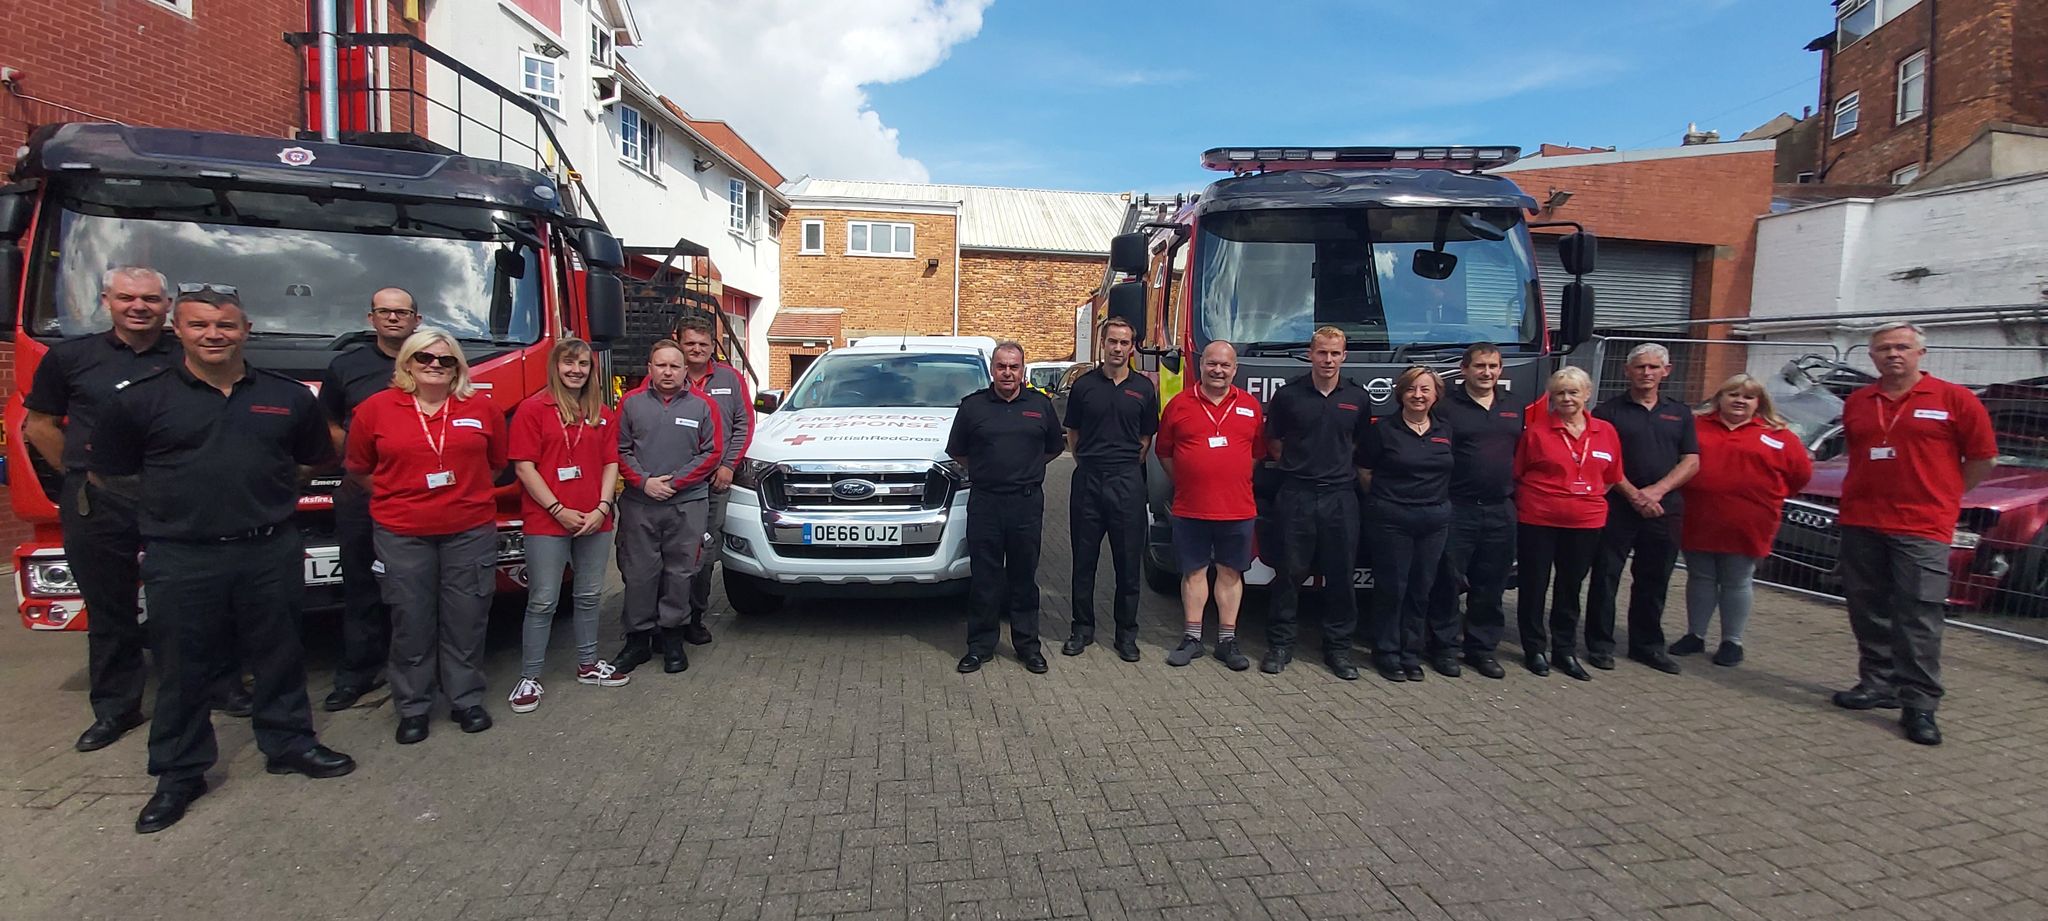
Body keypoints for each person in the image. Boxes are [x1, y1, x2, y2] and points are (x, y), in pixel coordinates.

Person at [92, 285, 355, 834]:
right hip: (182, 554)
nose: (214, 335)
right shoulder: (139, 399)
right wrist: (178, 510)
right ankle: (179, 773)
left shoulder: (287, 397)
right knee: (183, 666)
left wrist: (265, 494)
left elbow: (314, 459)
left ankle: (289, 743)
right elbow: (110, 474)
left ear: (245, 330)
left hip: (268, 547)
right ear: (178, 331)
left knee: (280, 653)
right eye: (200, 325)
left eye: (226, 325)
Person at [22, 266, 187, 752]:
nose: (139, 307)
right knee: (110, 608)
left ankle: (214, 687)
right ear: (106, 301)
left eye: (151, 299)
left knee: (189, 601)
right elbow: (40, 425)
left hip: (173, 495)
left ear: (167, 306)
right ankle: (116, 708)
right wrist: (85, 475)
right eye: (127, 297)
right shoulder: (70, 357)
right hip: (99, 501)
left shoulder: (187, 355)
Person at [1832, 322, 1996, 746]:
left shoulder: (1955, 399)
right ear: (1872, 356)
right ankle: (1877, 683)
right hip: (1862, 520)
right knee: (1867, 607)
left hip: (1922, 526)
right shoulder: (1859, 401)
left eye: (1902, 347)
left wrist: (1947, 495)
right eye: (1883, 348)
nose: (1893, 354)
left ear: (1920, 353)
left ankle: (1919, 704)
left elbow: (1983, 458)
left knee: (1918, 615)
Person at [346, 329, 509, 745]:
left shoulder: (481, 408)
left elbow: (495, 464)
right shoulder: (376, 409)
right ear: (407, 363)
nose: (435, 365)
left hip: (469, 530)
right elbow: (360, 467)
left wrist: (461, 495)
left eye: (446, 360)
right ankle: (413, 706)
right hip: (403, 534)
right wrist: (401, 496)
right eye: (425, 358)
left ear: (458, 367)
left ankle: (465, 699)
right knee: (410, 620)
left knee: (467, 618)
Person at [506, 338, 627, 714]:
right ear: (555, 367)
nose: (576, 370)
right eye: (568, 363)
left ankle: (588, 664)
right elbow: (524, 467)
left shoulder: (601, 413)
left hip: (594, 518)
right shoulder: (533, 409)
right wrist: (557, 509)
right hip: (547, 519)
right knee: (543, 599)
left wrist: (603, 506)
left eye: (583, 364)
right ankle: (529, 676)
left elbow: (611, 463)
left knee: (589, 595)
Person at [317, 286, 421, 712]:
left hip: (419, 493)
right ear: (371, 318)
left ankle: (416, 672)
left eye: (402, 312)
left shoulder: (432, 362)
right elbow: (329, 421)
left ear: (417, 320)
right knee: (361, 583)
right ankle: (358, 672)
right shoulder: (347, 366)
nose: (394, 318)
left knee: (416, 588)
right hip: (364, 491)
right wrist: (359, 465)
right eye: (385, 312)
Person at [1675, 374, 1813, 667]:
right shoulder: (1695, 426)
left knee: (1737, 580)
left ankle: (1732, 641)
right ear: (1720, 398)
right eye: (1733, 394)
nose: (1740, 401)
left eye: (1748, 397)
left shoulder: (1779, 435)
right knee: (1700, 576)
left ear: (1759, 402)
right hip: (1699, 516)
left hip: (1750, 521)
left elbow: (1800, 475)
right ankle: (1695, 635)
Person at [947, 340, 1065, 675]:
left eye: (1014, 367)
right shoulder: (973, 407)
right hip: (986, 502)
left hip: (1026, 503)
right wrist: (989, 472)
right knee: (985, 577)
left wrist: (1025, 470)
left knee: (1023, 577)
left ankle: (1028, 646)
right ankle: (980, 646)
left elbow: (1053, 448)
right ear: (992, 370)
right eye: (1001, 367)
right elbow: (958, 451)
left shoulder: (1040, 405)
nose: (1008, 373)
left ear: (1023, 369)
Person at [1261, 327, 1372, 680]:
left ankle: (1338, 649)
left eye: (1335, 353)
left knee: (1341, 575)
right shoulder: (1288, 395)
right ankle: (1280, 645)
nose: (1328, 360)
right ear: (1310, 354)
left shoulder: (1357, 397)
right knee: (1289, 573)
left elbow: (1358, 444)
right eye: (1322, 352)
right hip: (1297, 493)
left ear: (1344, 356)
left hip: (1340, 496)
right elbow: (1274, 442)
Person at [1585, 343, 1698, 675]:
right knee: (1606, 576)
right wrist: (1634, 494)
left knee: (1654, 579)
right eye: (1640, 367)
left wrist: (1657, 492)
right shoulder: (1607, 412)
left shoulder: (1680, 413)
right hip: (1618, 506)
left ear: (1666, 371)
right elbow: (1603, 460)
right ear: (1627, 371)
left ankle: (1647, 646)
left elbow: (1691, 460)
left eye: (1653, 367)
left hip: (1664, 509)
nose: (1646, 373)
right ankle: (1599, 645)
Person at [614, 340, 724, 675]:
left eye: (674, 366)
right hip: (640, 504)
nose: (667, 372)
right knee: (639, 573)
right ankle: (638, 641)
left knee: (680, 573)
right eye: (661, 365)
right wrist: (644, 482)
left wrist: (675, 483)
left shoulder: (703, 405)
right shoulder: (630, 404)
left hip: (687, 504)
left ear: (684, 370)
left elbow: (712, 452)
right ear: (650, 368)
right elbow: (619, 449)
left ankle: (673, 638)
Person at [1154, 341, 1262, 672]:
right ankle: (1192, 638)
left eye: (1225, 365)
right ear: (1200, 366)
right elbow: (1164, 452)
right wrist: (1190, 480)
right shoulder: (1179, 405)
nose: (1218, 370)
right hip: (1191, 507)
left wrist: (1230, 477)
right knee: (1194, 572)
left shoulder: (1250, 406)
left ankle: (1227, 641)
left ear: (1235, 369)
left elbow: (1256, 453)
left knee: (1231, 573)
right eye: (1212, 363)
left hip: (1237, 508)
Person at [1512, 366, 1625, 681]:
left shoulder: (1606, 431)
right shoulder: (1537, 432)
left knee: (1570, 587)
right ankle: (1534, 648)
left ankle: (1564, 650)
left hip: (1585, 521)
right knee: (1534, 585)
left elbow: (1612, 476)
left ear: (1587, 394)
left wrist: (1582, 497)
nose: (1566, 398)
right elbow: (1519, 472)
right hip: (1538, 518)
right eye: (1560, 393)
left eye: (1573, 392)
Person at [1061, 317, 1158, 663]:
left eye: (1124, 342)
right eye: (1112, 342)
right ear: (1102, 344)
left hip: (1127, 482)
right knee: (1083, 561)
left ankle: (1126, 634)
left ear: (1132, 347)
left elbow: (1145, 439)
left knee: (1128, 564)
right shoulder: (1084, 386)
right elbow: (1073, 433)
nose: (1118, 348)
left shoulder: (1143, 389)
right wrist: (1089, 462)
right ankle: (1081, 628)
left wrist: (1124, 466)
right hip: (1088, 481)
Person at [1427, 344, 1523, 680]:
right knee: (1447, 582)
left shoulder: (1513, 406)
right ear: (1464, 369)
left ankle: (1482, 649)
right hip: (1458, 506)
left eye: (1493, 366)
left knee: (1491, 584)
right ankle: (1443, 648)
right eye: (1480, 366)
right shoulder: (1446, 408)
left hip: (1500, 508)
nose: (1487, 372)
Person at [1357, 366, 1456, 682]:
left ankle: (1411, 652)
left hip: (1434, 521)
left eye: (1425, 389)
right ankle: (1386, 652)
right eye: (1412, 389)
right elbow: (1365, 472)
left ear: (1436, 395)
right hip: (1392, 520)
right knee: (1392, 588)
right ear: (1401, 393)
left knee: (1421, 589)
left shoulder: (1445, 429)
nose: (1418, 395)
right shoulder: (1383, 430)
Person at [677, 315, 754, 646]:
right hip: (674, 484)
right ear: (678, 343)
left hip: (714, 482)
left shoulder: (730, 378)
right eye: (690, 343)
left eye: (703, 344)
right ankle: (667, 619)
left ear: (713, 346)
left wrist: (728, 466)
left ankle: (695, 617)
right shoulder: (667, 375)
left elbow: (743, 424)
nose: (696, 349)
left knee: (705, 550)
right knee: (671, 551)